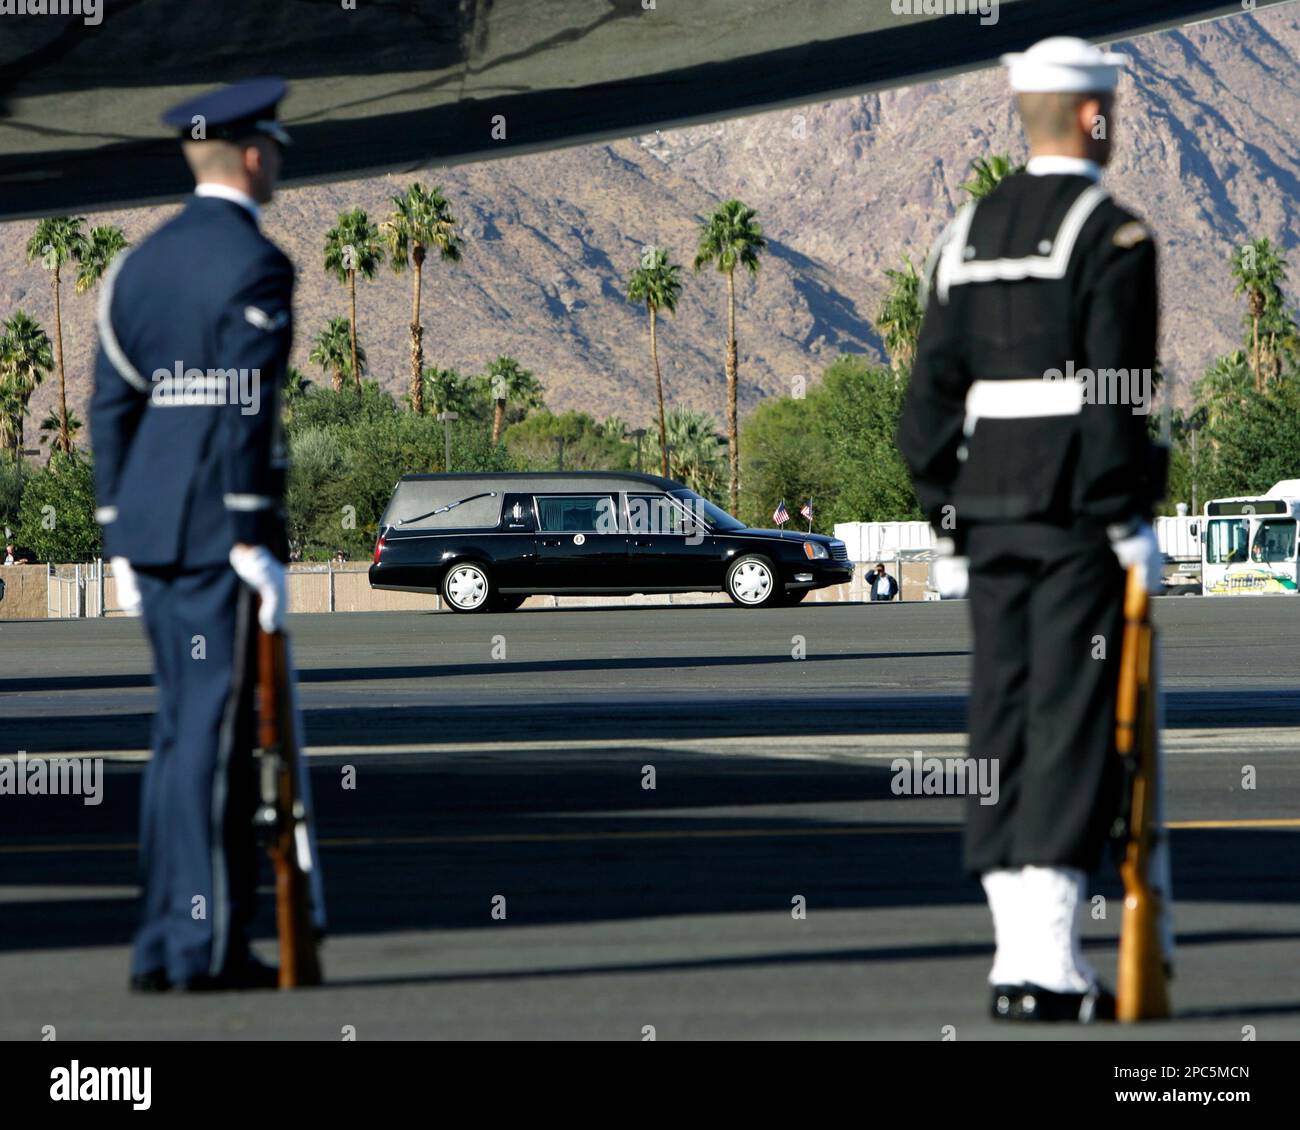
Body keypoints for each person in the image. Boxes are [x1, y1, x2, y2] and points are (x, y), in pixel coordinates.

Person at [898, 37, 1165, 1023]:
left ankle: (1019, 954)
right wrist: (1121, 512)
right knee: (1070, 721)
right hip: (1068, 516)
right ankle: (1046, 958)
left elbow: (925, 405)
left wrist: (946, 508)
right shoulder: (1111, 234)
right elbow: (1114, 397)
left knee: (997, 717)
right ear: (1093, 116)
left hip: (986, 511)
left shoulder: (964, 232)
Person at [90, 78, 296, 992]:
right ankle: (205, 951)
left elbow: (111, 407)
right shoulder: (256, 264)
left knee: (178, 736)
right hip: (218, 529)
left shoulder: (139, 266)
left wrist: (118, 537)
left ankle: (163, 945)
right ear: (253, 155)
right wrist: (252, 535)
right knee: (212, 744)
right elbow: (244, 413)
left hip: (153, 527)